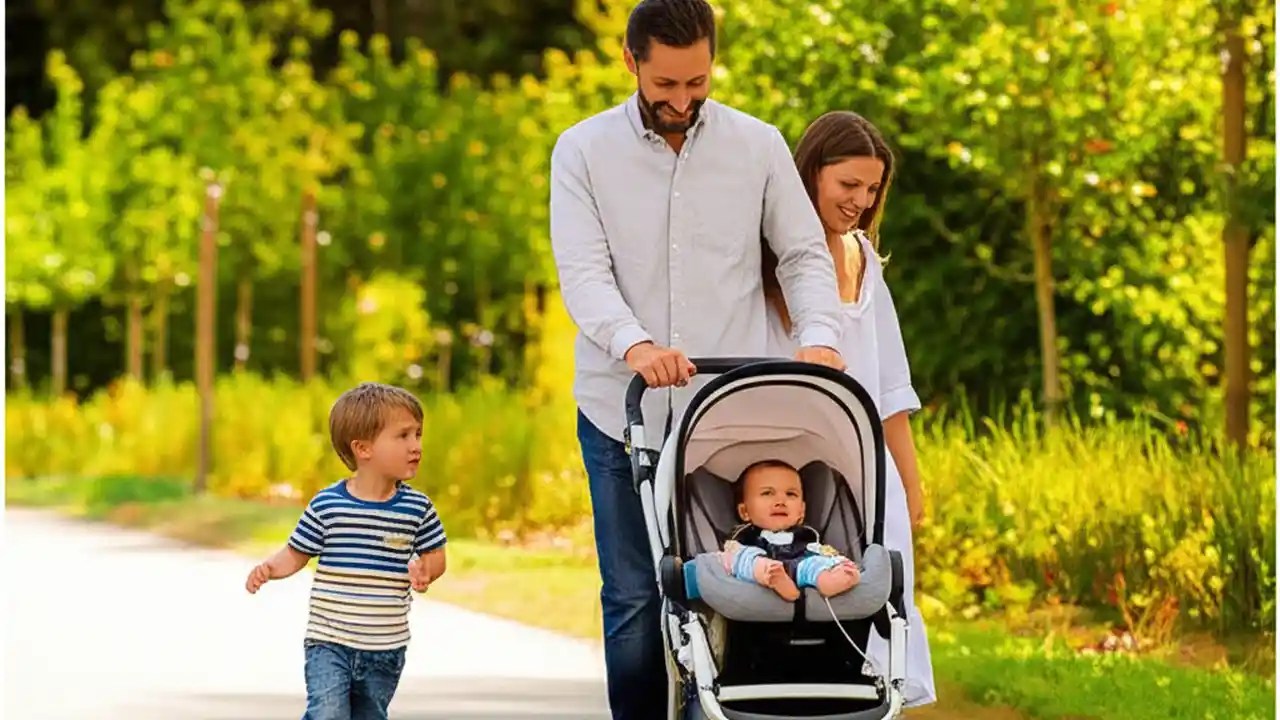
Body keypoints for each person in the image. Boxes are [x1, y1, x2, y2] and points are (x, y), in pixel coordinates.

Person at [548, 0, 847, 716]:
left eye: (697, 83)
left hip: (728, 417)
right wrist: (637, 344)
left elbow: (804, 254)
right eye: (665, 87)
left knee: (728, 586)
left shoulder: (759, 145)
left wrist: (821, 335)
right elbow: (584, 275)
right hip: (624, 412)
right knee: (631, 595)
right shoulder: (583, 151)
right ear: (631, 62)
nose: (682, 102)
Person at [762, 110, 937, 707]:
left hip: (868, 466)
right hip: (791, 465)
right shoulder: (773, 258)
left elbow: (890, 388)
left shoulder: (864, 258)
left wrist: (909, 483)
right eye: (848, 186)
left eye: (872, 189)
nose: (861, 201)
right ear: (811, 173)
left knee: (879, 600)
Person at [244, 382, 448, 720]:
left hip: (385, 647)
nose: (416, 446)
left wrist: (428, 570)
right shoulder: (328, 505)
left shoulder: (417, 508)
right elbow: (298, 551)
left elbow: (436, 556)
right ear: (363, 449)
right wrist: (270, 568)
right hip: (329, 640)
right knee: (328, 713)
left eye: (418, 435)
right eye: (403, 436)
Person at [719, 459, 861, 601]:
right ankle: (769, 574)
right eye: (768, 493)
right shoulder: (743, 536)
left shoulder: (807, 537)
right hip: (760, 562)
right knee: (738, 557)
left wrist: (839, 563)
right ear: (744, 511)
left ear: (802, 511)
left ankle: (828, 581)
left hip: (798, 566)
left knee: (818, 561)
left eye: (790, 494)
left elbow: (823, 553)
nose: (780, 501)